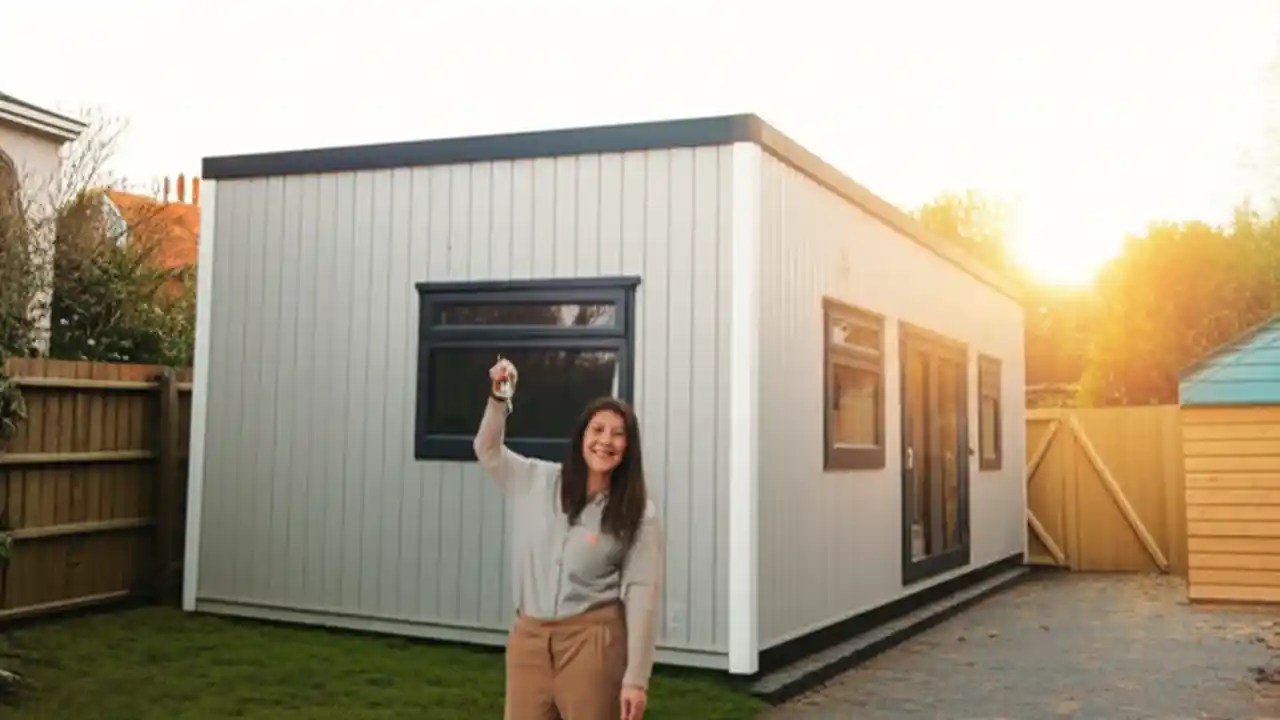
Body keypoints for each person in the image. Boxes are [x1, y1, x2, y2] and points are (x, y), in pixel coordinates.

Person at [474, 357, 664, 720]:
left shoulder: (639, 515)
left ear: (628, 448)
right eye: (598, 430)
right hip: (528, 642)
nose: (605, 441)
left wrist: (636, 679)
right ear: (582, 437)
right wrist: (500, 398)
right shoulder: (535, 480)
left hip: (592, 645)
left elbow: (643, 596)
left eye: (618, 434)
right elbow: (488, 451)